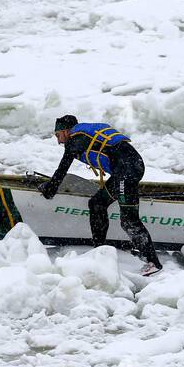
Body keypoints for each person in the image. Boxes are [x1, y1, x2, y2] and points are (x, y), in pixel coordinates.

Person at [40, 115, 162, 275]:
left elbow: (62, 168)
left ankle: (154, 263)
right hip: (126, 170)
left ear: (66, 131)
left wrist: (49, 189)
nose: (59, 141)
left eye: (58, 135)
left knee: (128, 221)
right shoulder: (83, 135)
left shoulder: (77, 139)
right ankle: (100, 252)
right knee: (97, 204)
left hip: (127, 171)